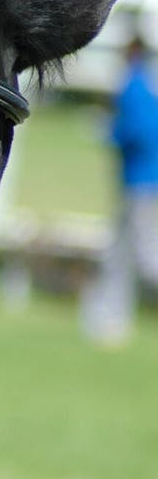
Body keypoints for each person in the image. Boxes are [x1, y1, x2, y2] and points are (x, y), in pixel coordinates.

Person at [81, 35, 158, 344]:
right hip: (140, 180)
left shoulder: (134, 86)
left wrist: (108, 130)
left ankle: (111, 316)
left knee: (144, 253)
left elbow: (139, 131)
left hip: (141, 181)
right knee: (122, 252)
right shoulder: (148, 85)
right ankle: (111, 318)